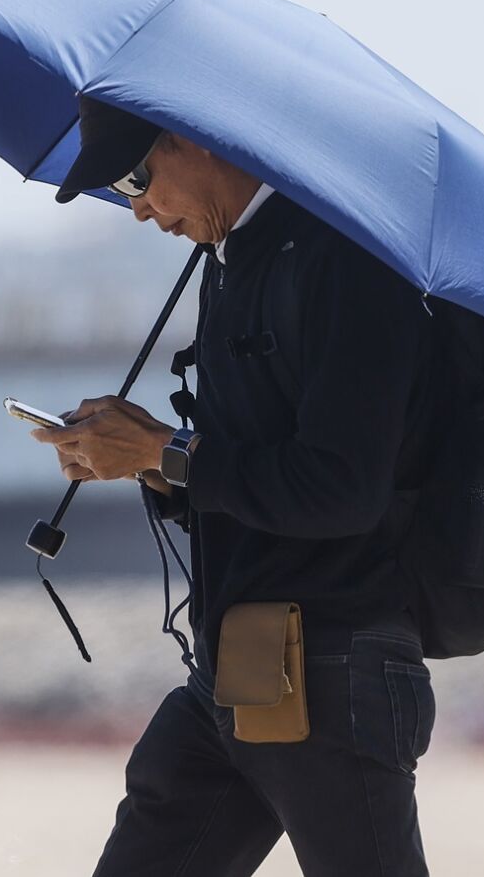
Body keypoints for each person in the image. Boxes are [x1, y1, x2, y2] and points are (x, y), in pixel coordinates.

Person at [31, 98, 440, 877]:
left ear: (197, 141)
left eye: (136, 178)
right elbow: (237, 474)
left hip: (332, 664)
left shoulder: (345, 259)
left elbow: (342, 488)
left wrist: (166, 450)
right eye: (121, 191)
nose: (138, 209)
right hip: (238, 663)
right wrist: (146, 457)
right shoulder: (230, 261)